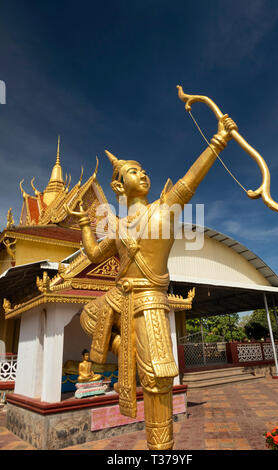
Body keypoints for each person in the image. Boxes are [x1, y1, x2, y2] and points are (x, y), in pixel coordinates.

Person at [68, 114, 237, 450]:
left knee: (159, 378)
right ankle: (125, 349)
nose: (142, 173)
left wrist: (219, 140)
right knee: (88, 316)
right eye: (133, 171)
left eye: (143, 169)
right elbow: (91, 253)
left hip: (149, 302)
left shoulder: (163, 211)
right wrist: (86, 224)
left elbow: (190, 181)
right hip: (120, 297)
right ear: (118, 186)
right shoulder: (116, 227)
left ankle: (161, 450)